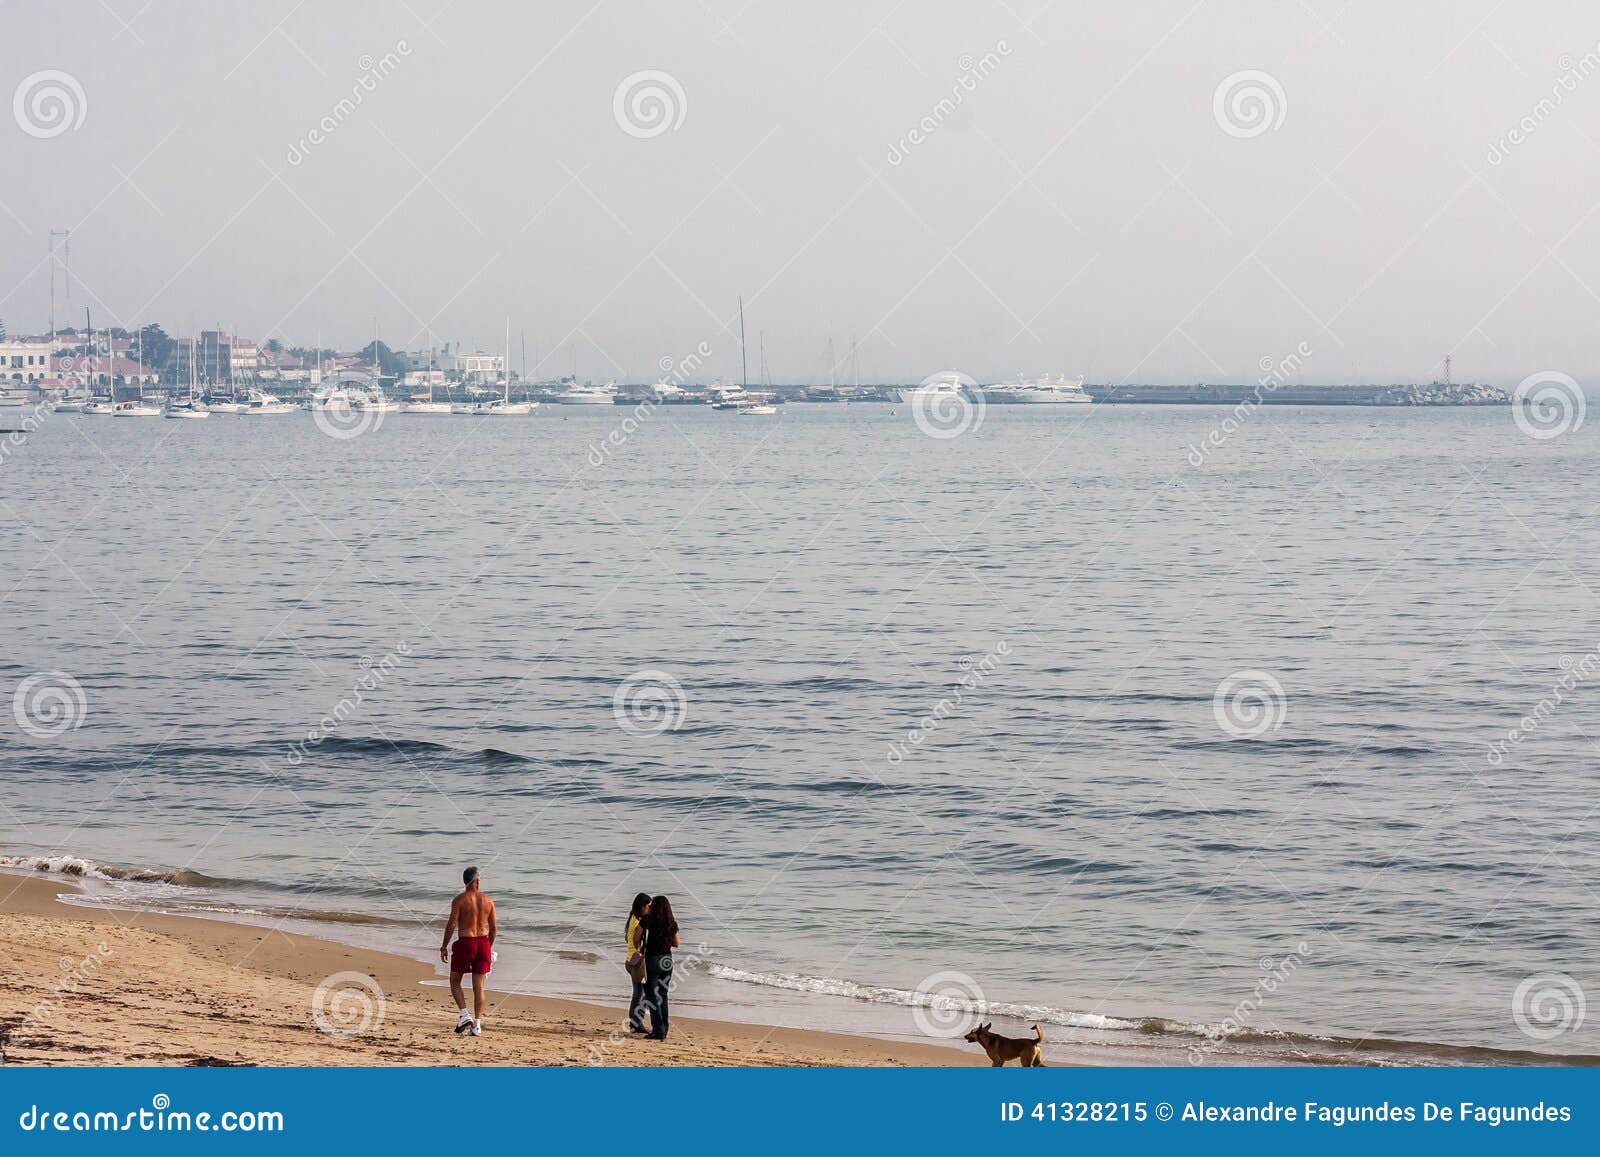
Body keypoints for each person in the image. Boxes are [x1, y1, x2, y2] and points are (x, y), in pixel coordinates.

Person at [440, 865, 496, 1036]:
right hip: (483, 943)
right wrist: (489, 947)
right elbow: (494, 929)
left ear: (465, 882)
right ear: (477, 881)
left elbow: (451, 924)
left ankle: (464, 1014)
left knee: (455, 980)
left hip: (466, 942)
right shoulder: (488, 900)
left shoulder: (459, 900)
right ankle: (477, 1025)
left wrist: (444, 945)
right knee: (479, 986)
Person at [641, 894, 679, 1041]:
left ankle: (658, 1030)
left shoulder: (648, 920)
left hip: (653, 959)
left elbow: (636, 937)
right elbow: (677, 943)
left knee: (652, 995)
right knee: (663, 994)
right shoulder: (671, 922)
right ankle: (664, 1028)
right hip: (667, 959)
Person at [624, 893, 652, 1033]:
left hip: (629, 960)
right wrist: (642, 949)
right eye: (648, 906)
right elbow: (635, 941)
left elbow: (626, 938)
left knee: (639, 993)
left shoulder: (631, 919)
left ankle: (635, 1022)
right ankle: (636, 1023)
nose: (650, 909)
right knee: (640, 994)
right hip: (637, 961)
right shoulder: (638, 921)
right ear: (642, 906)